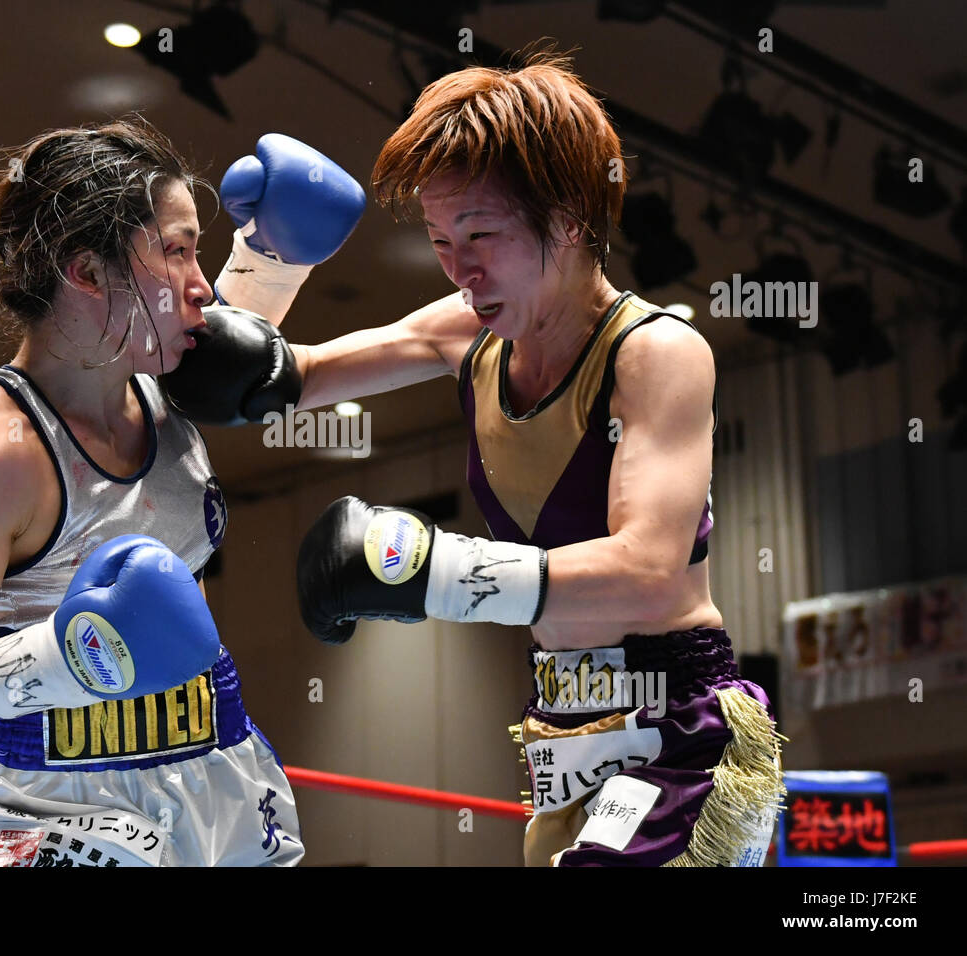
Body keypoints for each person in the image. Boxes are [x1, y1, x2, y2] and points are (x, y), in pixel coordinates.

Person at [172, 49, 785, 867]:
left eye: (481, 235)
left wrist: (430, 571)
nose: (460, 268)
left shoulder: (656, 353)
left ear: (568, 218)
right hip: (559, 728)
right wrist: (262, 265)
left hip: (675, 727)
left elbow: (646, 566)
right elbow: (271, 381)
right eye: (438, 240)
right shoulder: (468, 330)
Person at [0, 118, 361, 867]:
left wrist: (272, 258)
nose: (201, 282)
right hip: (57, 797)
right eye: (177, 250)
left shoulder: (169, 369)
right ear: (84, 272)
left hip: (216, 761)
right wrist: (71, 658)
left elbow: (271, 338)